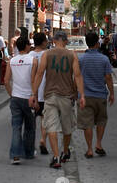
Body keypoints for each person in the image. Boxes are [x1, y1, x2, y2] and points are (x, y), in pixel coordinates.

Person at [31, 30, 85, 169]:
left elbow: (40, 73)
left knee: (51, 126)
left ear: (54, 41)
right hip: (66, 96)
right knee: (67, 127)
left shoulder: (46, 54)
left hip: (50, 95)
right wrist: (82, 95)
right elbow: (77, 76)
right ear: (66, 41)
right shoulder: (71, 55)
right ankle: (65, 151)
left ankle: (56, 157)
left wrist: (33, 93)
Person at [76, 30, 115, 158]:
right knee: (101, 120)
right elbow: (108, 77)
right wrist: (112, 93)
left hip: (85, 96)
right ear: (97, 43)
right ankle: (98, 144)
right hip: (100, 95)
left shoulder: (81, 59)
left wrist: (74, 93)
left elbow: (76, 77)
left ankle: (89, 149)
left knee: (87, 123)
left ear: (87, 43)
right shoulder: (104, 59)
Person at [4, 36, 37, 163]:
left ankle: (15, 155)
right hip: (28, 97)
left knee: (16, 127)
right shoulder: (33, 60)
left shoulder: (11, 61)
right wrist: (34, 96)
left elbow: (6, 81)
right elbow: (33, 80)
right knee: (30, 127)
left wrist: (11, 94)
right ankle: (28, 153)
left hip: (16, 97)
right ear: (27, 46)